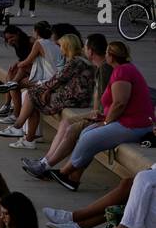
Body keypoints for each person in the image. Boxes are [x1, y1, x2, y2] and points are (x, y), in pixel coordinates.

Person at [47, 41, 153, 192]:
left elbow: (120, 103)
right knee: (86, 133)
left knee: (89, 138)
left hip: (134, 125)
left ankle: (65, 172)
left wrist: (106, 122)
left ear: (111, 56)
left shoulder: (122, 72)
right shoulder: (124, 69)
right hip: (128, 122)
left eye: (107, 54)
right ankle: (74, 179)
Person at [20, 33, 113, 181]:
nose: (84, 49)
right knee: (65, 122)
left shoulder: (102, 69)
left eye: (86, 46)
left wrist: (94, 115)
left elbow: (104, 103)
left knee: (72, 128)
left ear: (91, 51)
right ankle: (44, 162)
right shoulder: (100, 67)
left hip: (101, 115)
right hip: (94, 110)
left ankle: (46, 165)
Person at [0, 33, 93, 148]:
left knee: (32, 95)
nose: (60, 49)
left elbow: (57, 79)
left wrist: (43, 89)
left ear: (67, 46)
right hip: (76, 96)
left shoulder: (74, 62)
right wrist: (46, 90)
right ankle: (26, 136)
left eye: (61, 46)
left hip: (75, 99)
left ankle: (20, 128)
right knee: (32, 96)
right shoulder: (78, 60)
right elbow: (58, 80)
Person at [0, 20, 61, 127]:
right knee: (13, 76)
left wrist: (19, 64)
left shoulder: (37, 43)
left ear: (36, 32)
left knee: (16, 81)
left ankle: (16, 117)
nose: (9, 41)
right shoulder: (53, 44)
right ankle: (9, 102)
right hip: (48, 75)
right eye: (7, 39)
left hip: (45, 78)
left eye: (11, 37)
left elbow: (28, 61)